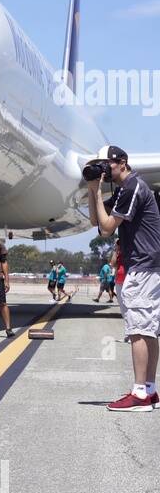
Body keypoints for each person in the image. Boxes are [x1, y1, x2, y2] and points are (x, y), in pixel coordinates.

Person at [86, 145, 160, 412]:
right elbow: (96, 219)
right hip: (146, 266)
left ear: (123, 163)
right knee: (148, 329)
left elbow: (106, 229)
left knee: (138, 330)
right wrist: (94, 189)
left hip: (142, 266)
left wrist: (98, 190)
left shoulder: (132, 187)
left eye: (108, 164)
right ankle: (149, 390)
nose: (105, 169)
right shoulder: (123, 190)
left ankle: (139, 393)